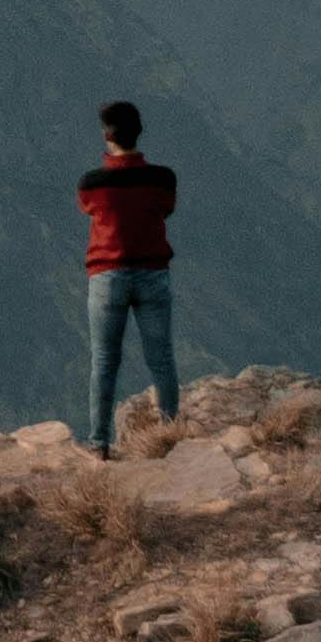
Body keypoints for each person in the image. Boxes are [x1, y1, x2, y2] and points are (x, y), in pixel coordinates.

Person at [81, 98, 178, 453]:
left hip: (108, 276)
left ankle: (98, 443)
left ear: (107, 135)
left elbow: (88, 208)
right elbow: (166, 208)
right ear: (139, 132)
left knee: (104, 361)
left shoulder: (92, 184)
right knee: (161, 358)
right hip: (153, 273)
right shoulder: (162, 179)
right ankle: (170, 435)